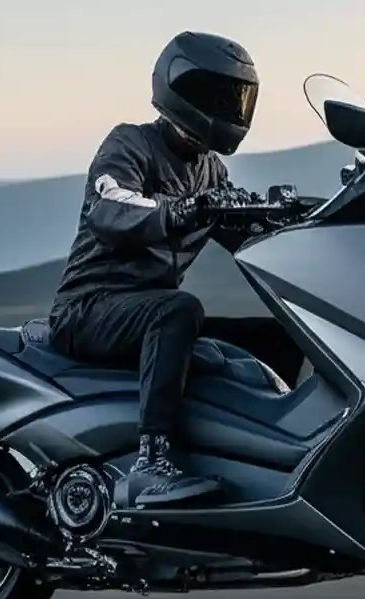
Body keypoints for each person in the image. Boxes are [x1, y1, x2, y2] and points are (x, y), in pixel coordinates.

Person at [47, 31, 261, 506]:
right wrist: (181, 211)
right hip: (90, 308)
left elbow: (241, 232)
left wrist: (297, 224)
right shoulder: (130, 143)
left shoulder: (209, 170)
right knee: (180, 311)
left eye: (239, 98)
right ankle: (151, 463)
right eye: (222, 97)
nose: (233, 109)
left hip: (140, 313)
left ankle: (270, 464)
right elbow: (111, 205)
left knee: (255, 343)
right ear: (186, 92)